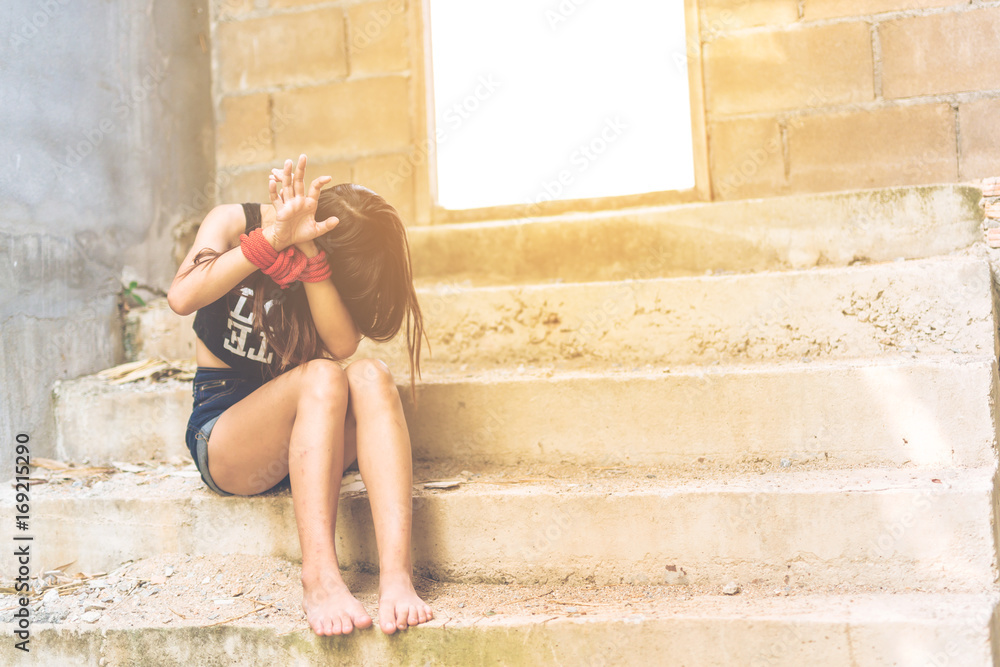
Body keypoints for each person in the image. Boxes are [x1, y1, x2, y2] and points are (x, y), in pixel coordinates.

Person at [166, 154, 432, 636]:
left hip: (307, 441)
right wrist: (271, 241)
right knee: (324, 377)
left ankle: (396, 576)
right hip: (226, 438)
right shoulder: (233, 222)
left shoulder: (318, 262)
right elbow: (182, 297)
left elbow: (344, 344)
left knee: (370, 374)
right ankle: (320, 577)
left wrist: (312, 259)